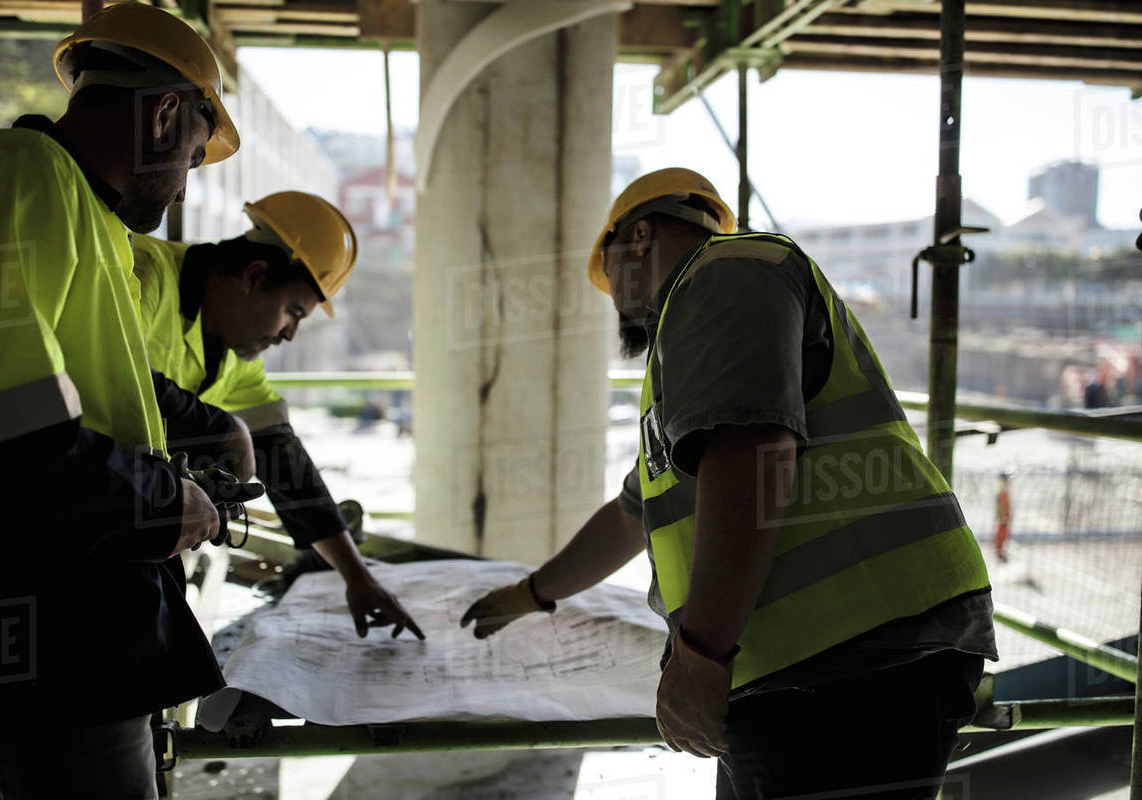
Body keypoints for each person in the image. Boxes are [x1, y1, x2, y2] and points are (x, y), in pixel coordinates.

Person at [461, 168, 997, 800]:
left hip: (858, 659)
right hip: (807, 665)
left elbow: (751, 455)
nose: (614, 301)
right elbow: (635, 513)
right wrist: (534, 592)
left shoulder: (727, 272)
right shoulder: (697, 338)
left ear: (636, 236)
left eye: (610, 278)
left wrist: (699, 656)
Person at [0, 5, 242, 798]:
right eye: (193, 155)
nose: (185, 180)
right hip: (40, 653)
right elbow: (1, 443)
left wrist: (202, 429)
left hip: (75, 634)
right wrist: (166, 500)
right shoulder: (18, 175)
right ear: (166, 114)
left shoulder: (79, 211)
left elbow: (87, 383)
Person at [132, 191, 423, 640]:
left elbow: (285, 463)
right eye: (293, 312)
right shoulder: (144, 274)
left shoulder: (235, 359)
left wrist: (357, 578)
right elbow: (116, 378)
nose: (289, 335)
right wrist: (225, 428)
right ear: (255, 274)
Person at [995, 469, 1013, 563]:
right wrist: (1002, 517)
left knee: (1004, 535)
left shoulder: (1003, 490)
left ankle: (1001, 552)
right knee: (1001, 535)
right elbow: (1000, 504)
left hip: (1004, 517)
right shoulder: (1001, 491)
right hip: (1003, 518)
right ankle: (1000, 553)